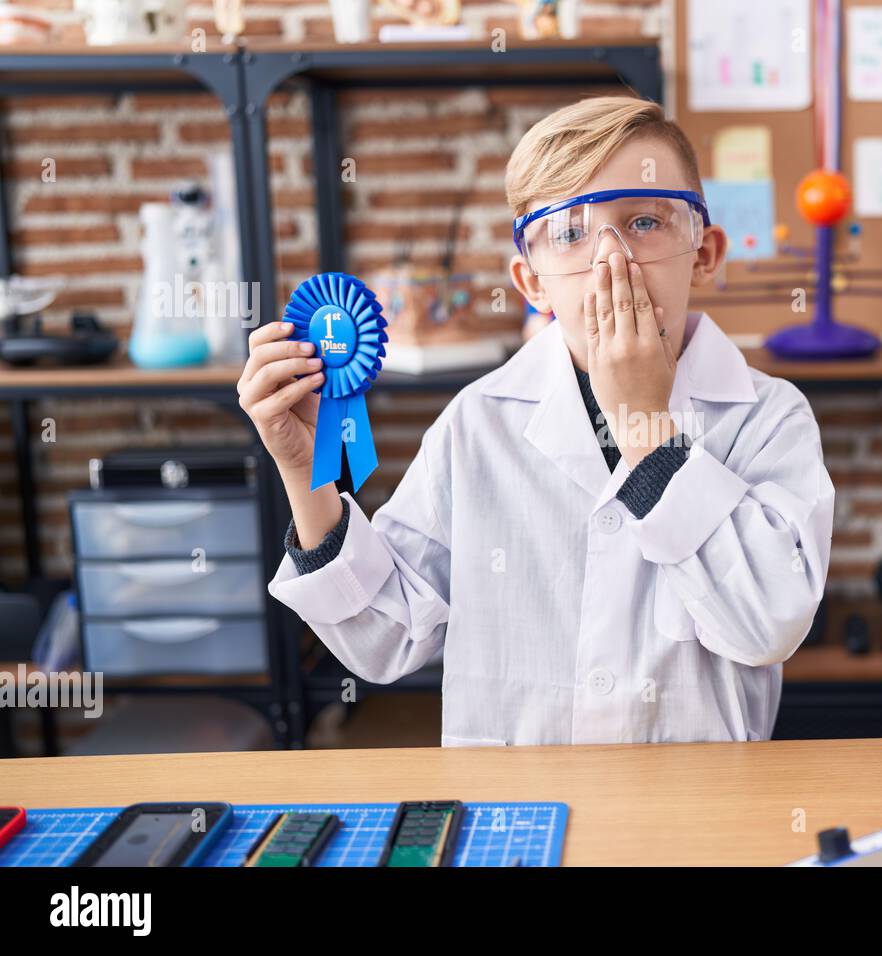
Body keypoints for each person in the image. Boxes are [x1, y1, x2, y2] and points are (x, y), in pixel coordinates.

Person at [236, 95, 835, 746]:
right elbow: (386, 640)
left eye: (644, 221)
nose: (614, 260)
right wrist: (306, 472)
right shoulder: (478, 423)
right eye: (572, 232)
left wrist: (643, 427)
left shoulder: (770, 417)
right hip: (514, 813)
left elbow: (769, 625)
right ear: (532, 283)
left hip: (693, 808)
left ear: (704, 252)